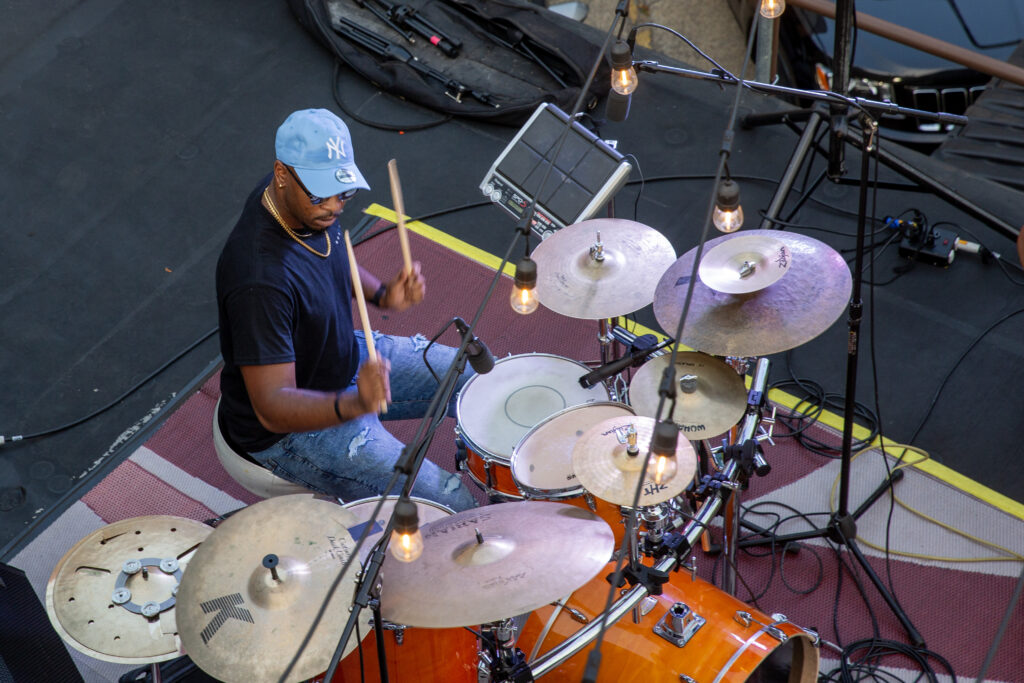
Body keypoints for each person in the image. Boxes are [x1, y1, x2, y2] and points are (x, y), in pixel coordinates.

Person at [215, 108, 477, 512]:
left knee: (475, 379)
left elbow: (333, 246)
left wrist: (382, 294)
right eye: (323, 195)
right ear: (281, 174)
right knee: (450, 500)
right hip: (289, 431)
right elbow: (271, 408)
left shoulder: (305, 203)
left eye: (345, 191)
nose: (335, 207)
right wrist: (355, 403)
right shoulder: (259, 282)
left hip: (339, 355)